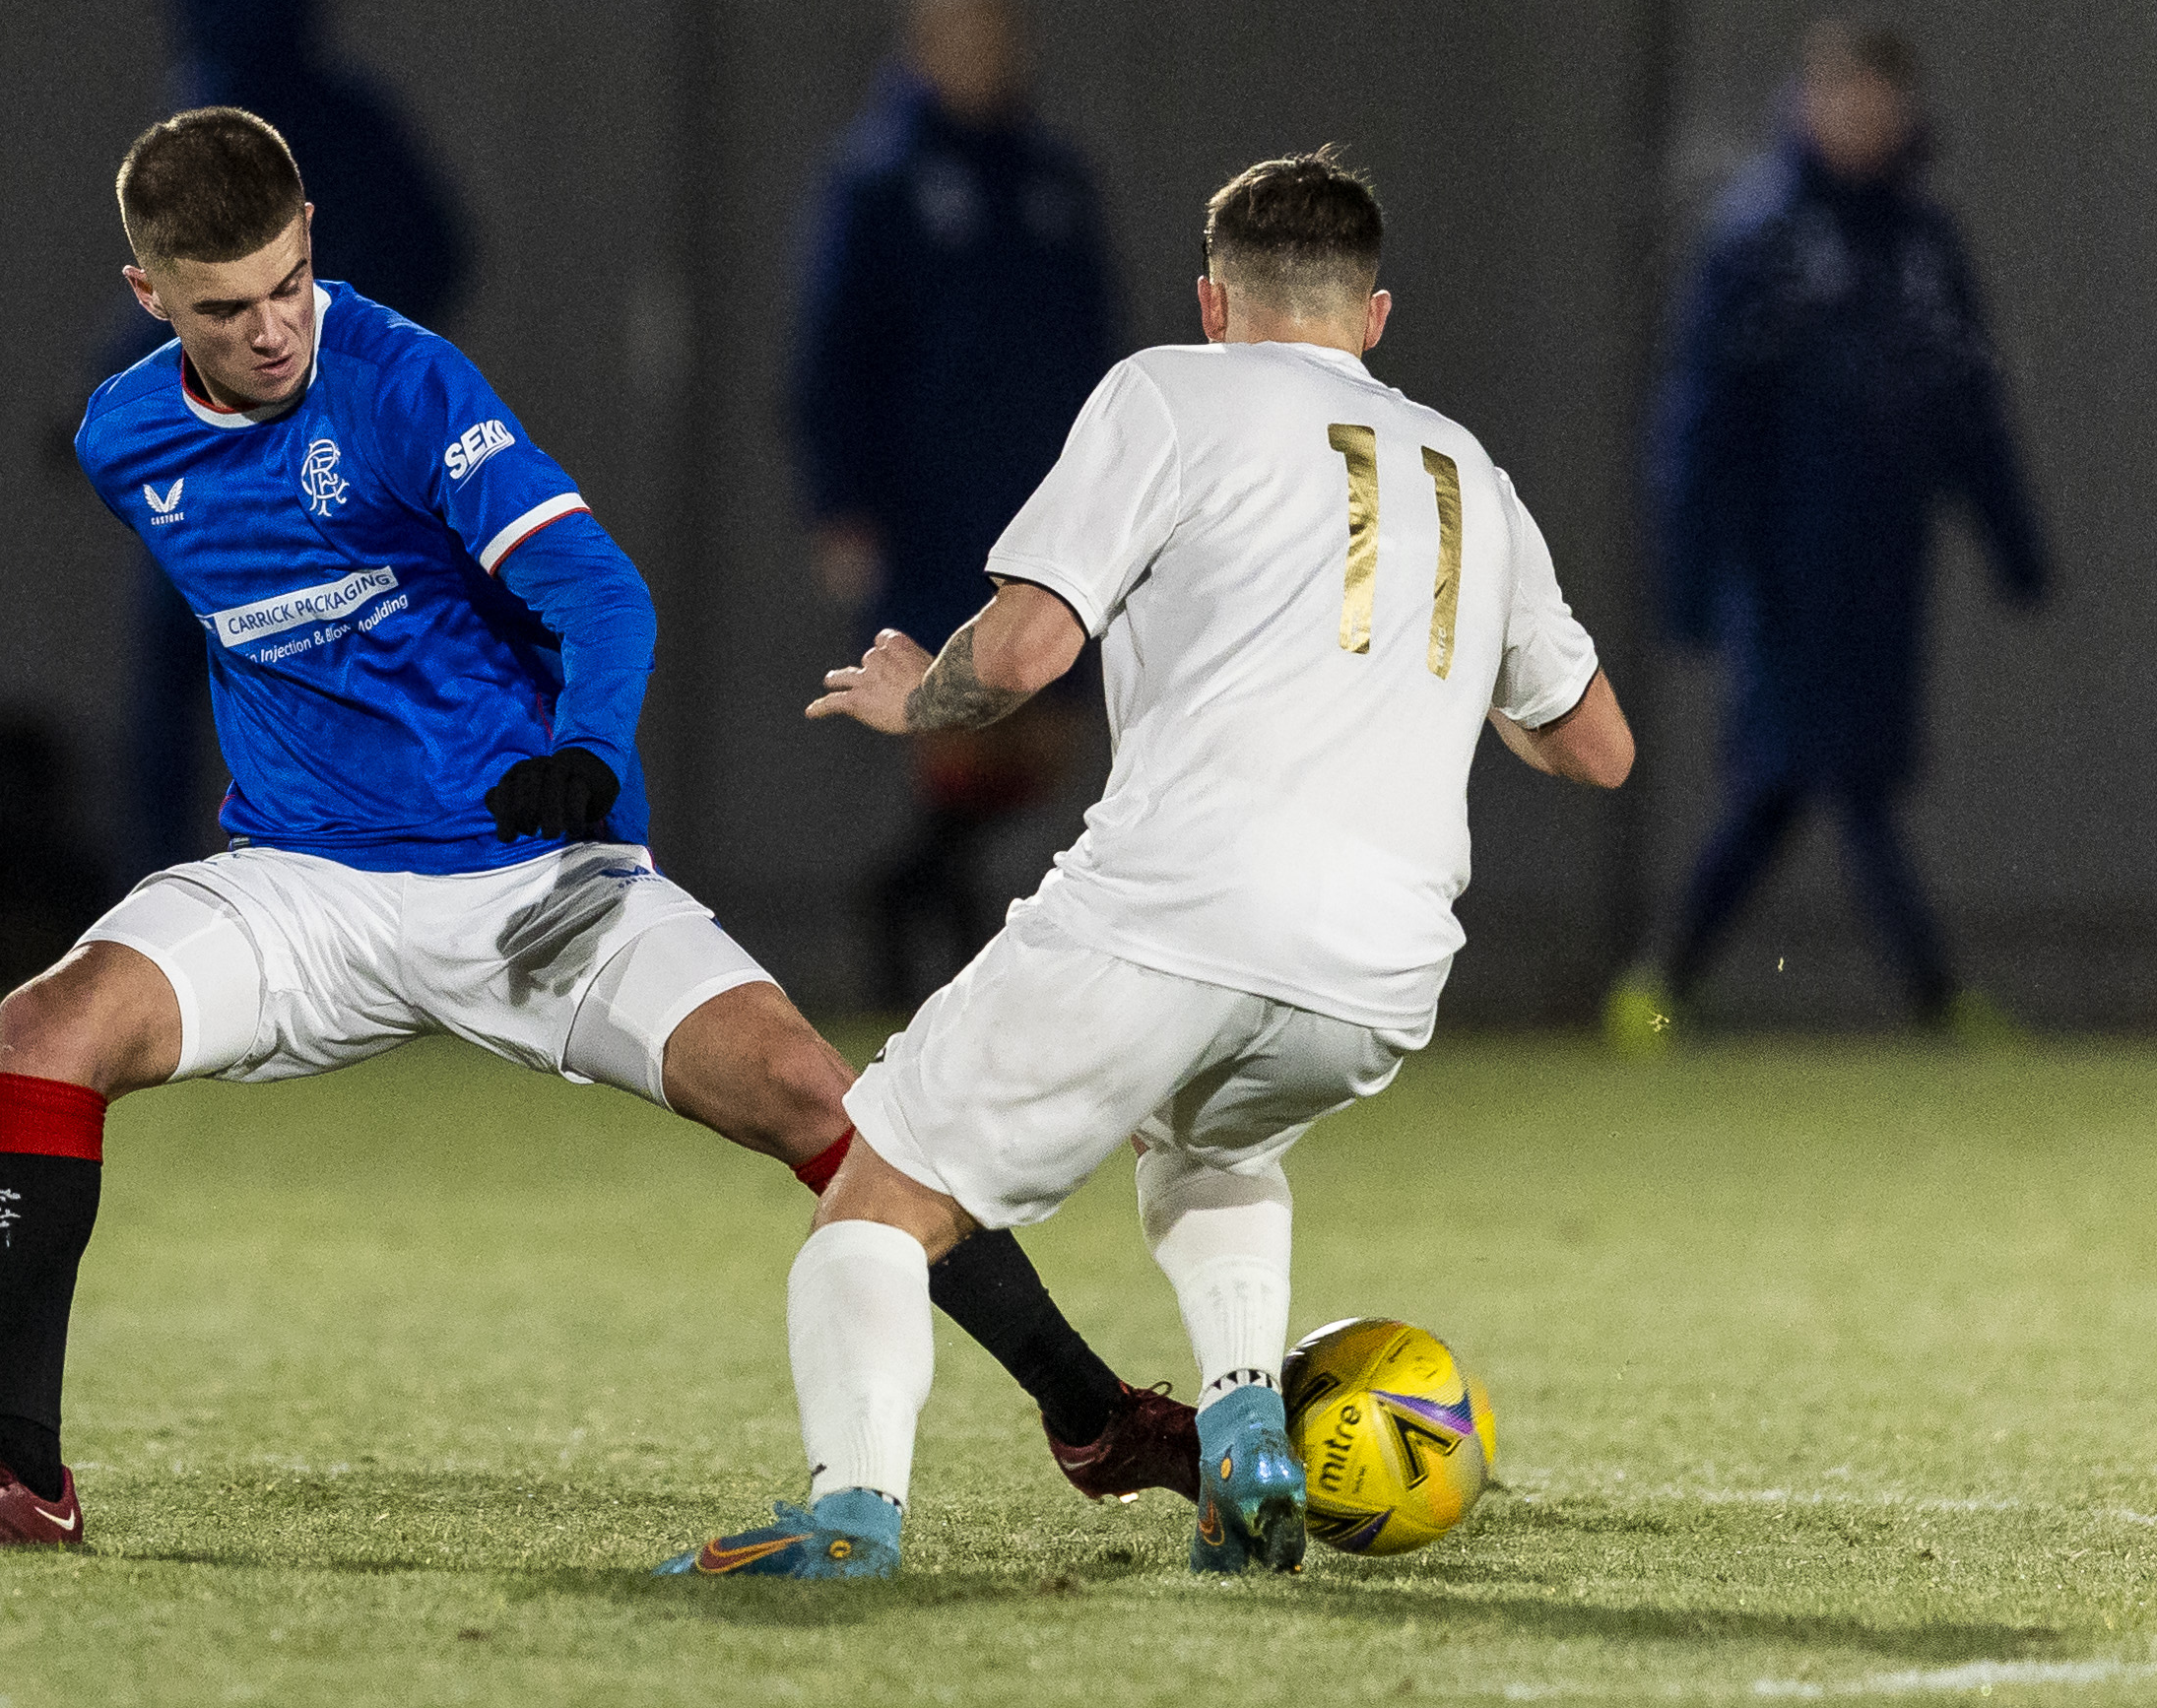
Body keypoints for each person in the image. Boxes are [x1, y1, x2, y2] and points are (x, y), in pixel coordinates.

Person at [0, 108, 1194, 1547]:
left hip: (535, 880)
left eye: (284, 286)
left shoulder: (403, 382)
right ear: (149, 299)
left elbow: (601, 595)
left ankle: (1090, 1413)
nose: (267, 331)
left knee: (825, 1107)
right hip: (306, 884)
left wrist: (580, 753)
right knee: (44, 1032)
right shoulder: (127, 438)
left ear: (310, 235)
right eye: (222, 308)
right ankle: (17, 1473)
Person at [667, 152, 1633, 1581]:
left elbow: (1024, 650)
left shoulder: (1166, 389)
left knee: (878, 1193)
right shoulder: (1465, 470)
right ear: (1371, 318)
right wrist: (1421, 673)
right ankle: (1246, 1438)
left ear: (1210, 301)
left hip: (1177, 906)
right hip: (1378, 967)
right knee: (1216, 1140)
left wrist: (911, 695)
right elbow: (1595, 748)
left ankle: (847, 1519)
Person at [1610, 24, 2048, 1052]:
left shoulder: (1924, 245)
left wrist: (2011, 535)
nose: (1863, 120)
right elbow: (1702, 414)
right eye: (1844, 98)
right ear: (1807, 105)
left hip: (1886, 566)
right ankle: (1935, 998)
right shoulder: (1757, 240)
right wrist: (1693, 565)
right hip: (1782, 565)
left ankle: (1660, 987)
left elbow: (1969, 402)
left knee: (1793, 783)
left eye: (1880, 101)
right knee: (1833, 776)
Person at [114, 0, 472, 880]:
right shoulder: (223, 111)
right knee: (195, 675)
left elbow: (427, 252)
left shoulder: (314, 125)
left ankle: (352, 882)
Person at [791, 0, 1120, 1009]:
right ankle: (934, 924)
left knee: (1054, 725)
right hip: (934, 509)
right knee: (956, 708)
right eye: (962, 32)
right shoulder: (881, 181)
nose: (984, 52)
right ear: (922, 47)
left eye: (999, 30)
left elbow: (1096, 341)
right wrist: (841, 500)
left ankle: (920, 883)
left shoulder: (1053, 179)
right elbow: (833, 350)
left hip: (1048, 501)